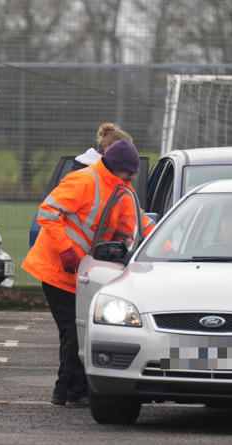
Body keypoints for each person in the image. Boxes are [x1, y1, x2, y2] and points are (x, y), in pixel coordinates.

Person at [22, 138, 152, 408]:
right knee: (73, 331)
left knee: (78, 332)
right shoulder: (84, 180)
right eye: (129, 172)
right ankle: (70, 391)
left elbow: (138, 222)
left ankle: (69, 391)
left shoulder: (122, 189)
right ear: (116, 167)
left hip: (82, 273)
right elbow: (48, 212)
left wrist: (168, 241)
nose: (132, 177)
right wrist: (66, 248)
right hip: (57, 268)